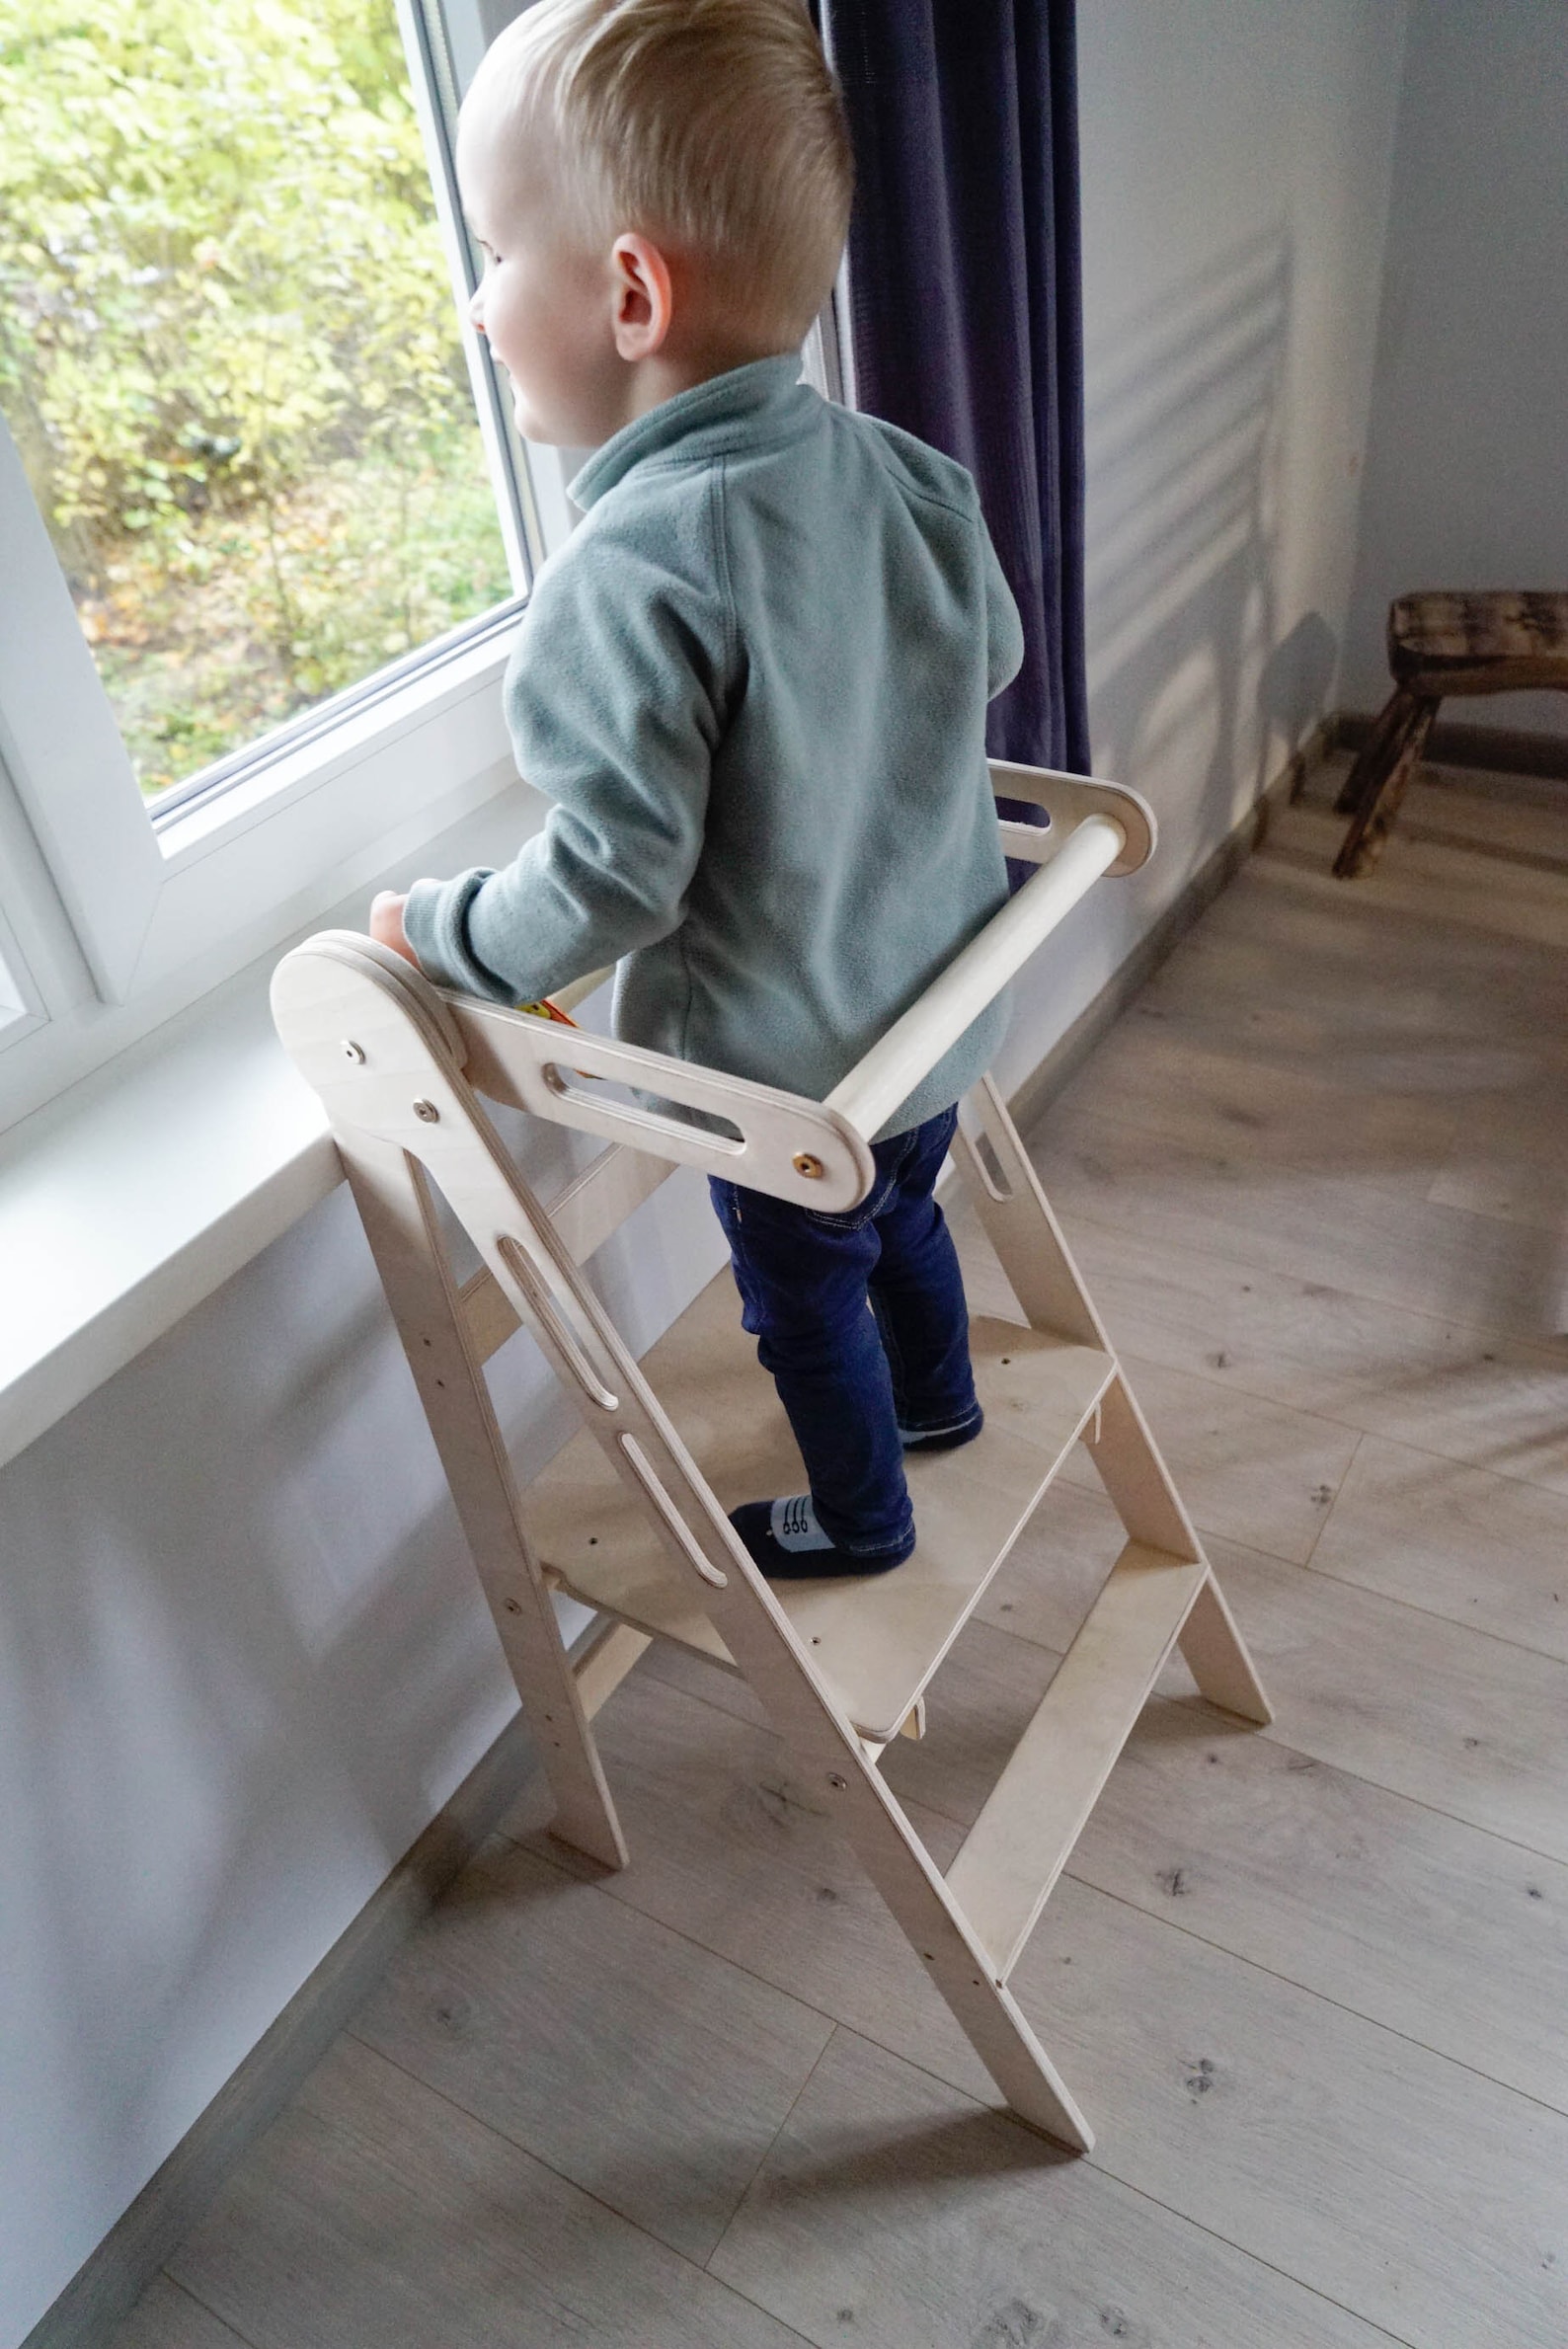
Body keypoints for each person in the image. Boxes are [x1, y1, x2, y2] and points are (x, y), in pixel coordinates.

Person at [370, 0, 1024, 1578]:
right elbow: (985, 654)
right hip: (933, 1013)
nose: (476, 308)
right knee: (907, 1221)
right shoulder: (898, 465)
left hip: (788, 1076)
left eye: (496, 254)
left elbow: (612, 884)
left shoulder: (628, 573)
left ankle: (861, 1514)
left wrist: (444, 931)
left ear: (631, 293)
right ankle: (942, 1403)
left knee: (800, 1288)